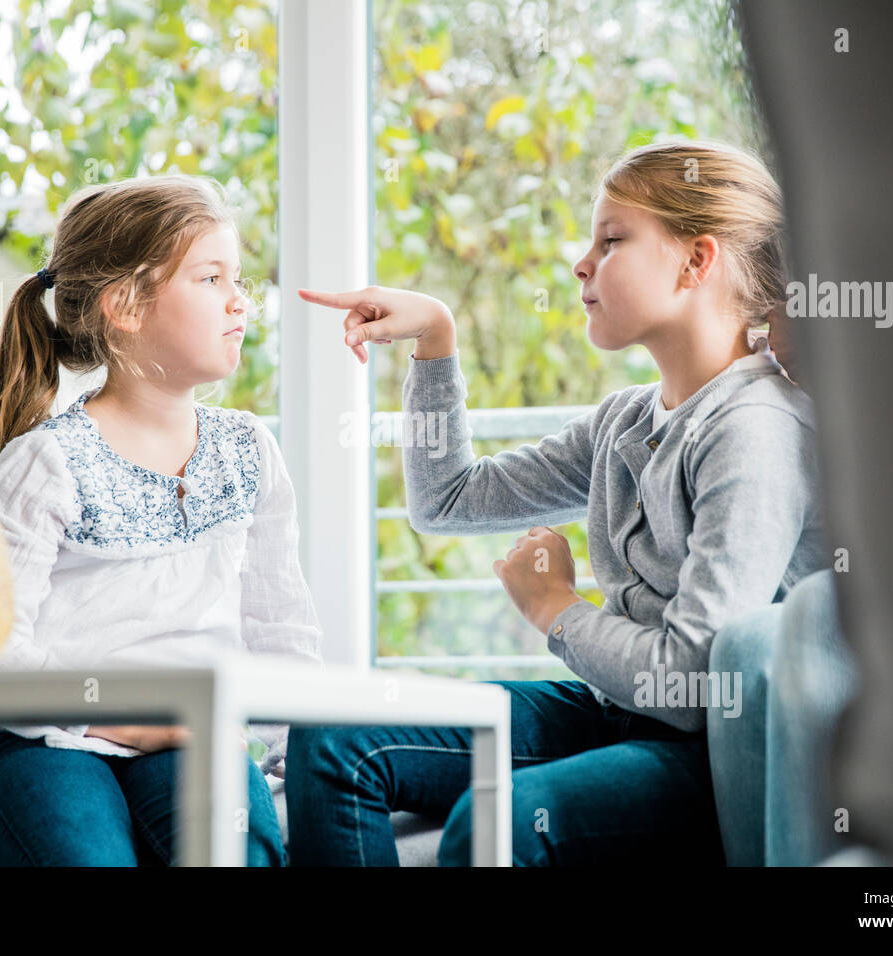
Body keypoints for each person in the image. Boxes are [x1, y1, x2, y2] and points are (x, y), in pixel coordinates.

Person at [286, 139, 829, 866]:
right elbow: (448, 500)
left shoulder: (755, 427)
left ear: (697, 261)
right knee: (333, 739)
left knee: (500, 824)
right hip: (614, 714)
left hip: (707, 755)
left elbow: (696, 684)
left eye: (611, 241)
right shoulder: (626, 421)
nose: (581, 264)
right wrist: (435, 342)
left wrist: (555, 609)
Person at [0, 174, 323, 866]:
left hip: (190, 739)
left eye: (237, 279)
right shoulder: (45, 462)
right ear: (125, 304)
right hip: (39, 741)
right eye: (211, 277)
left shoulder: (251, 453)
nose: (240, 301)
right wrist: (118, 719)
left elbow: (280, 632)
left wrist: (301, 756)